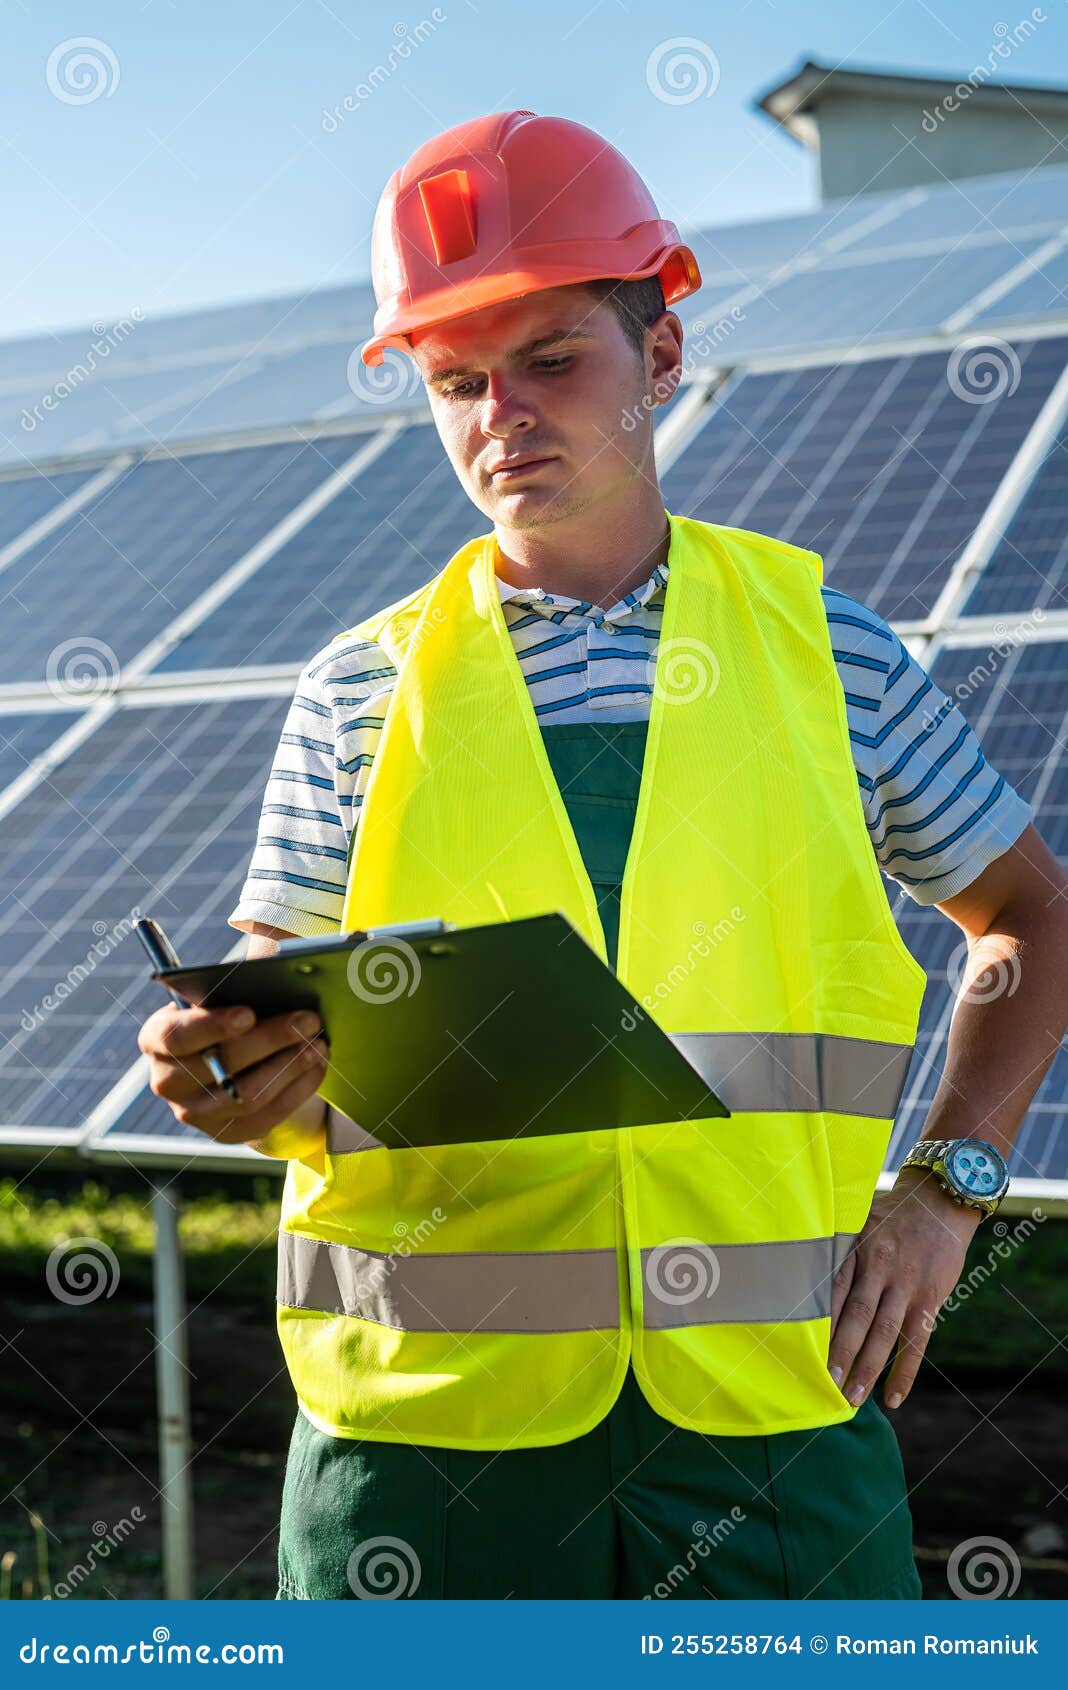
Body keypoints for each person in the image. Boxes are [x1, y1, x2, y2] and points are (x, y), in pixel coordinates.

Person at [137, 112, 1068, 1601]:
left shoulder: (834, 656)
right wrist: (226, 1075)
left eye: (552, 358)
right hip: (430, 1450)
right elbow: (276, 1020)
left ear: (667, 355)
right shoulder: (355, 694)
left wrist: (948, 1185)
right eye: (456, 382)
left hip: (772, 1418)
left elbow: (1029, 913)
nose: (500, 411)